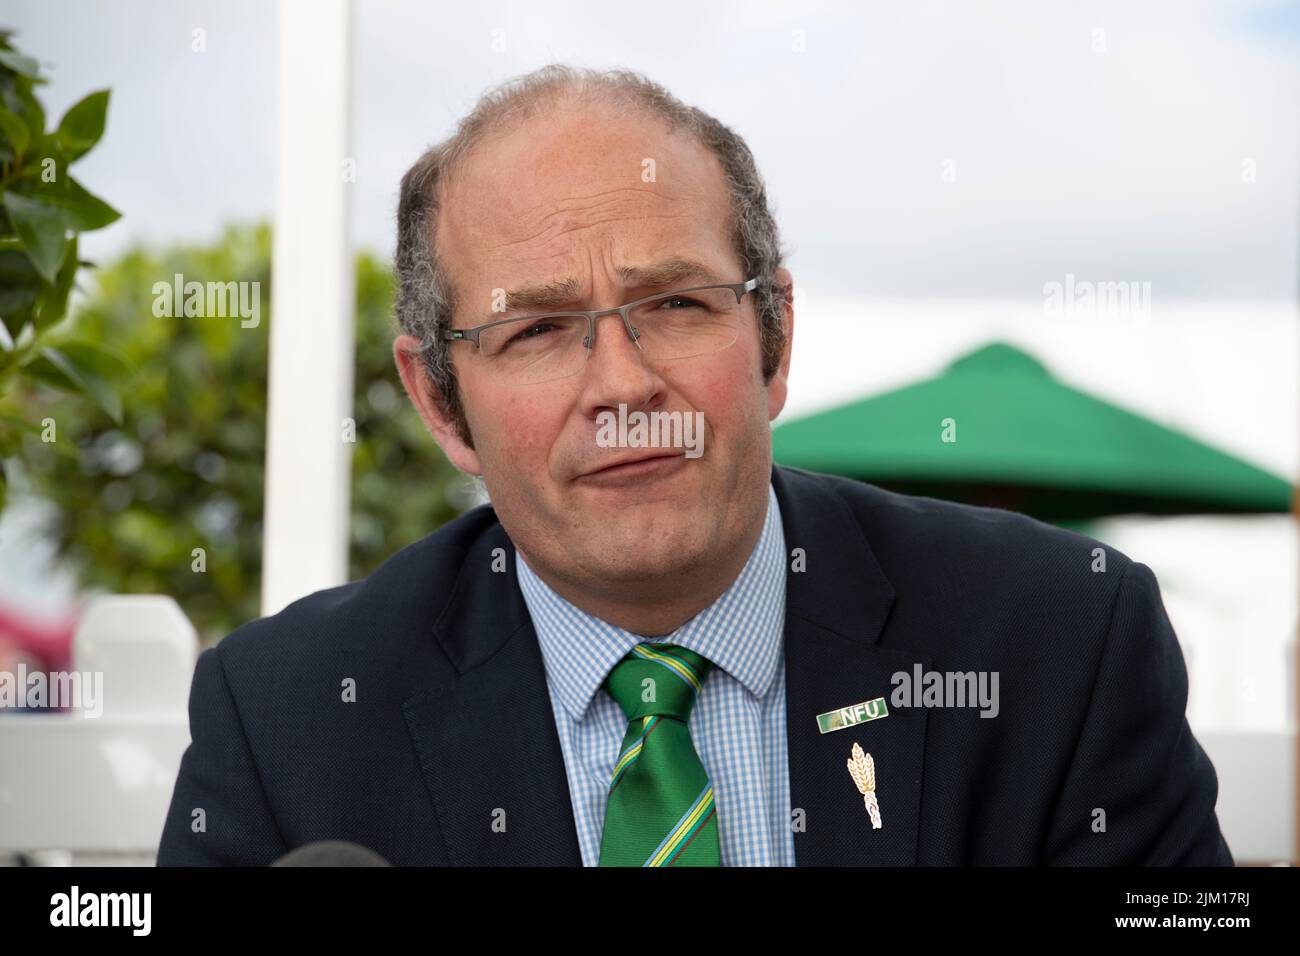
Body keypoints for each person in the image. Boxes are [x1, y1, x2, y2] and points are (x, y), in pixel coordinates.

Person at [158, 65, 1231, 866]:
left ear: (775, 338)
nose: (621, 385)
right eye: (534, 329)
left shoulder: (1060, 642)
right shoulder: (288, 718)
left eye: (675, 303)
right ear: (440, 400)